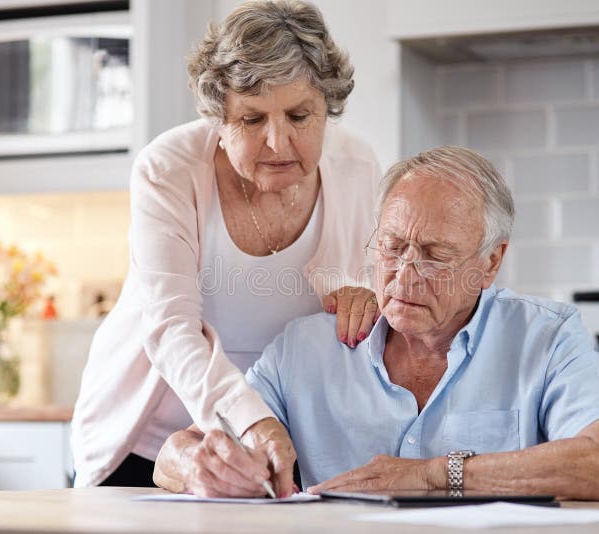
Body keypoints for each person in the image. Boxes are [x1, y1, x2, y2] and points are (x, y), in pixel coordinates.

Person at [153, 146, 599, 501]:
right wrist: (197, 466)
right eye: (391, 246)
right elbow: (180, 452)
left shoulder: (545, 337)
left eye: (434, 255)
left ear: (491, 263)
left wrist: (432, 476)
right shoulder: (305, 349)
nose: (404, 274)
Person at [71, 0, 382, 492]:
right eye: (253, 120)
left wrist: (364, 299)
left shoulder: (357, 166)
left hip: (283, 440)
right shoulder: (168, 169)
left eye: (300, 115)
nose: (278, 143)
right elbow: (171, 328)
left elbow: (361, 296)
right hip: (152, 440)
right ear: (218, 116)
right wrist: (248, 421)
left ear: (329, 107)